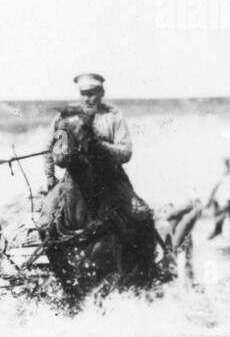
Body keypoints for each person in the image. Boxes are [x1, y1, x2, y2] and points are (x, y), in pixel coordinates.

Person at [38, 73, 165, 260]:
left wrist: (100, 146)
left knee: (141, 213)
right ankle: (60, 270)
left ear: (101, 92)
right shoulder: (65, 117)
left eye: (92, 93)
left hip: (110, 178)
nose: (87, 98)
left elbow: (126, 152)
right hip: (72, 181)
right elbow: (49, 148)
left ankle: (147, 264)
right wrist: (50, 177)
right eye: (83, 93)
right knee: (44, 223)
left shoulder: (113, 116)